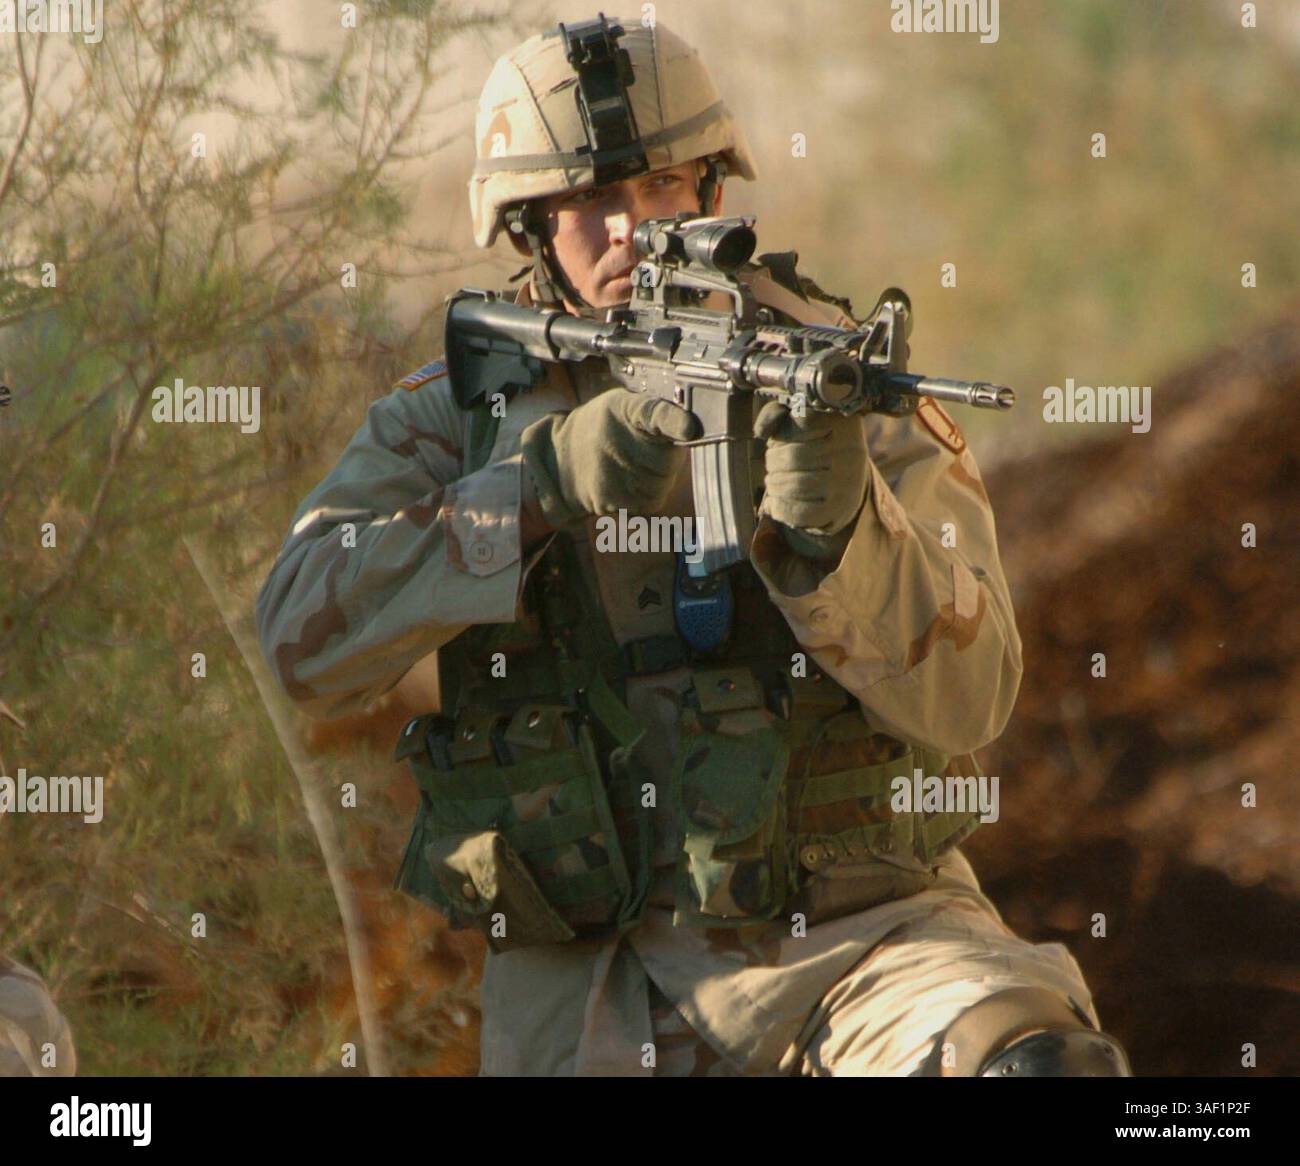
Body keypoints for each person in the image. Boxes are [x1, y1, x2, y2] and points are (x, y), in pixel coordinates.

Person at [256, 14, 1132, 1077]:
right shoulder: (455, 418)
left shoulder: (836, 383)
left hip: (859, 941)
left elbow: (974, 695)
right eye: (592, 200)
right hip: (586, 989)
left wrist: (841, 536)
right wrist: (534, 488)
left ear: (711, 190)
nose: (632, 228)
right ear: (527, 226)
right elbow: (301, 648)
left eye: (662, 185)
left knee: (1036, 1065)